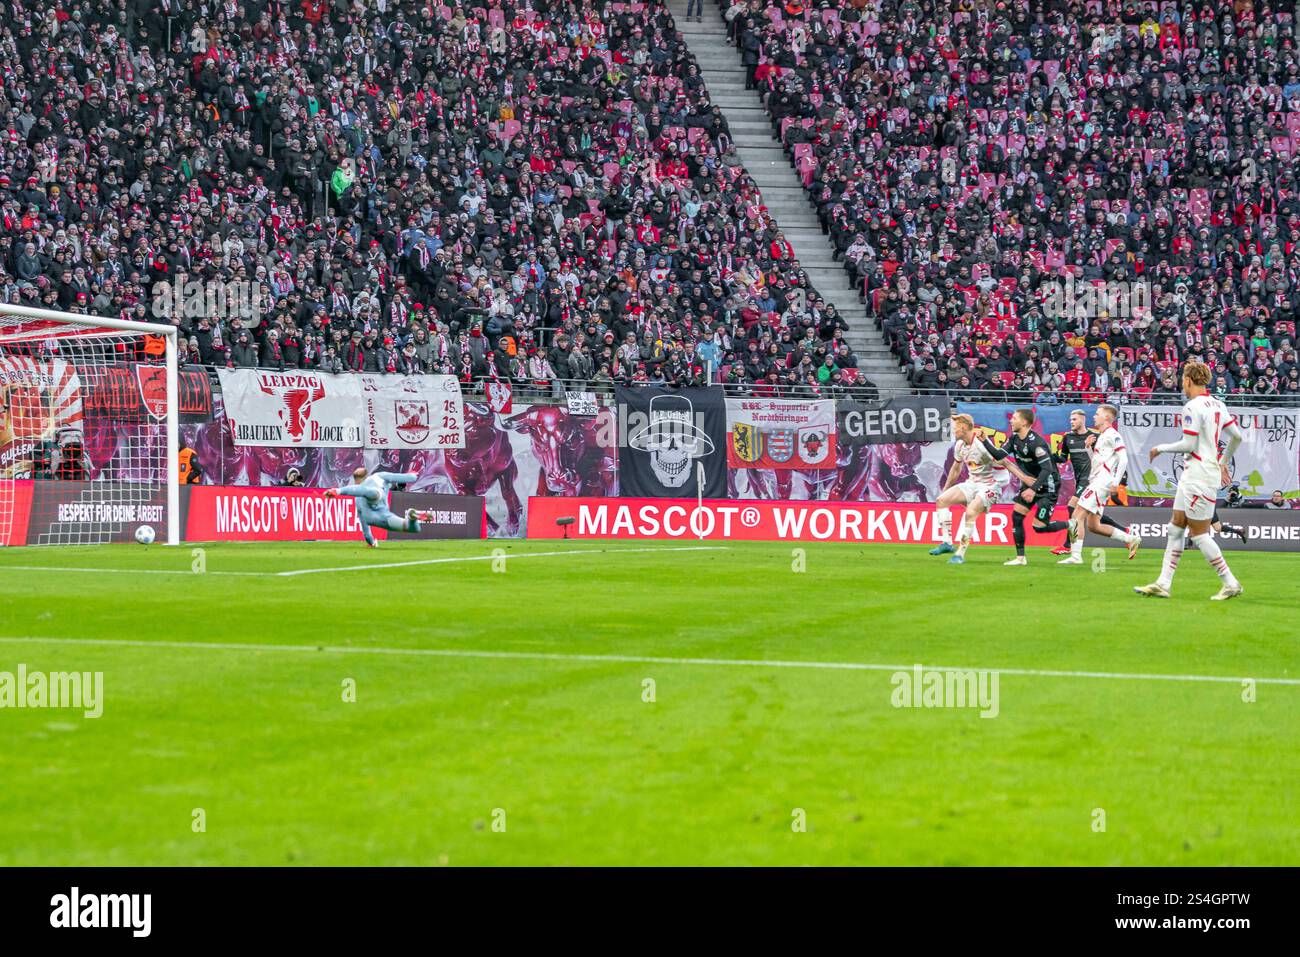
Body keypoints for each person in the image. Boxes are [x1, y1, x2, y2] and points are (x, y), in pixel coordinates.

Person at [1135, 362, 1245, 600]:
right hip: (1196, 473)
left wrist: (1160, 448)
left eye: (1182, 379)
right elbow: (1237, 436)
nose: (1181, 384)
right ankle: (1163, 583)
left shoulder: (1192, 406)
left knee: (1199, 534)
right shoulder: (1218, 404)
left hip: (1199, 474)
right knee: (1175, 527)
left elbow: (1189, 444)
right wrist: (1223, 460)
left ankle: (1230, 582)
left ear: (1188, 380)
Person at [979, 409, 1072, 565]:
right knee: (1016, 517)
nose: (1011, 421)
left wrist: (1033, 489)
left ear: (1023, 422)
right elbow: (999, 455)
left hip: (1047, 485)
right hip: (1030, 483)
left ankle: (1071, 524)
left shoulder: (1037, 443)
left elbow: (1048, 469)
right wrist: (985, 440)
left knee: (1039, 527)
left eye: (1014, 418)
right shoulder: (1014, 439)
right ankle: (1020, 558)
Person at [1057, 405, 1142, 564]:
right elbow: (1098, 461)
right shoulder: (1102, 436)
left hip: (1102, 482)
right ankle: (1131, 538)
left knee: (1076, 515)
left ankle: (1076, 556)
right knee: (1094, 526)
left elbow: (1123, 459)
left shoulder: (1113, 435)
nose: (1094, 417)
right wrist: (1088, 448)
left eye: (1097, 414)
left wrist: (1116, 483)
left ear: (1107, 418)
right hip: (1098, 480)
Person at [928, 414, 1004, 565]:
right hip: (972, 484)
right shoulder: (960, 445)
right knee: (941, 501)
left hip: (990, 486)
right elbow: (956, 469)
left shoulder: (982, 444)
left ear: (963, 427)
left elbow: (1003, 462)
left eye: (954, 428)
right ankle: (947, 543)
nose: (952, 431)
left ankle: (960, 554)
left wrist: (1021, 478)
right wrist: (945, 489)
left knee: (970, 512)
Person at [323, 467, 428, 548]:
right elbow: (408, 477)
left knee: (372, 493)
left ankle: (411, 515)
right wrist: (413, 475)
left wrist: (371, 542)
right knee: (414, 528)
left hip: (376, 517)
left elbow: (366, 531)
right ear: (367, 475)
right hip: (381, 511)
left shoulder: (358, 499)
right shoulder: (379, 476)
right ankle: (411, 516)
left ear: (355, 479)